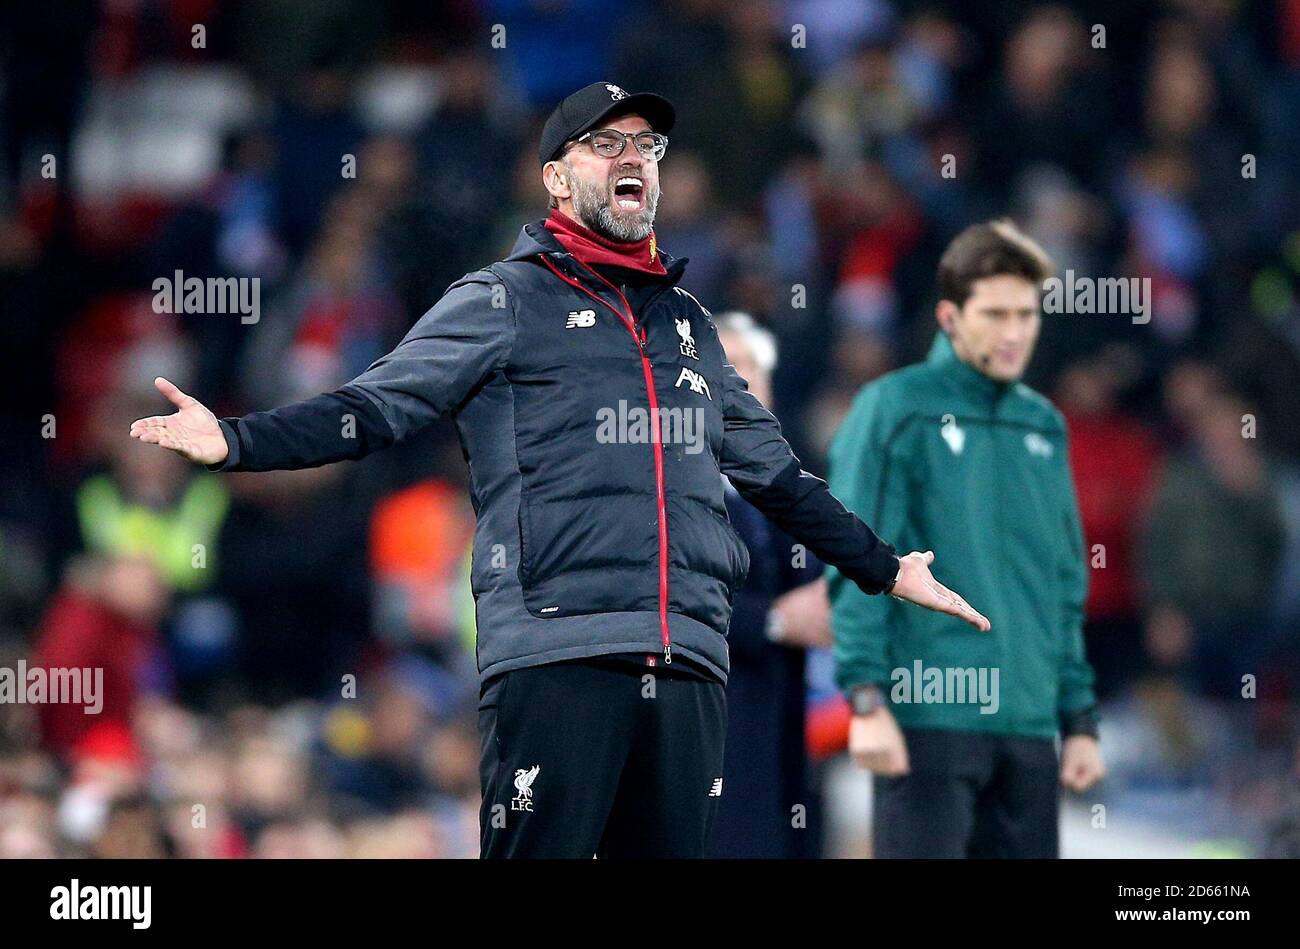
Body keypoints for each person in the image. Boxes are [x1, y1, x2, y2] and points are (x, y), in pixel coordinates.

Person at [129, 81, 988, 859]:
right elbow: (375, 405)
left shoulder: (690, 324)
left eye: (647, 147)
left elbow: (779, 479)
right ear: (554, 177)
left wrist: (885, 568)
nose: (634, 162)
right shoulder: (502, 297)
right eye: (607, 144)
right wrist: (237, 442)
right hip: (559, 651)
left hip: (690, 660)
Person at [828, 220, 1104, 859]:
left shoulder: (1044, 425)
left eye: (1027, 315)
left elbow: (1063, 583)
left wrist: (1080, 719)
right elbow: (856, 558)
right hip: (928, 719)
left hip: (1031, 729)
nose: (1015, 333)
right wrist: (866, 699)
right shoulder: (894, 408)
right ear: (950, 316)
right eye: (996, 314)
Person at [707, 311, 829, 859]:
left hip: (784, 742)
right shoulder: (655, 484)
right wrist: (775, 620)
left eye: (752, 367)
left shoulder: (786, 492)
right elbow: (660, 596)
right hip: (708, 744)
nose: (742, 382)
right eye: (725, 368)